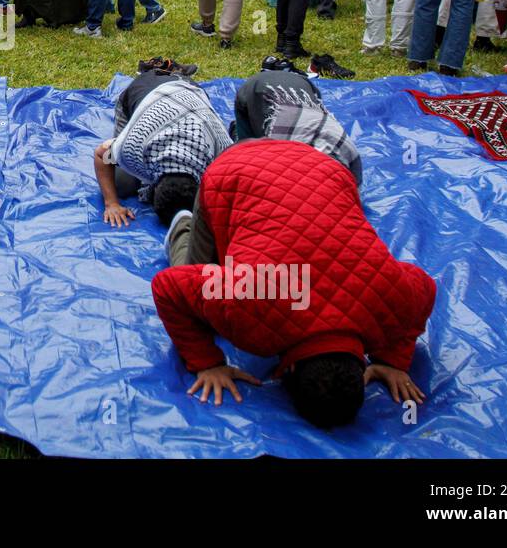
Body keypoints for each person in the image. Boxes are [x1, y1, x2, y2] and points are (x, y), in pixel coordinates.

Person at [150, 140, 436, 425]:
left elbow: (425, 287)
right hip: (232, 171)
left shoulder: (395, 303)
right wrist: (208, 363)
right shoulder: (246, 307)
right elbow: (168, 286)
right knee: (192, 275)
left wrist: (392, 359)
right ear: (291, 367)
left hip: (324, 167)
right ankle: (181, 223)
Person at [91, 65, 232, 249]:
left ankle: (174, 73)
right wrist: (111, 203)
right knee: (122, 184)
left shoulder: (222, 150)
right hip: (144, 90)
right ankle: (158, 70)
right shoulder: (133, 145)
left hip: (188, 90)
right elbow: (101, 156)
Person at [230, 69, 362, 183]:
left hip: (300, 88)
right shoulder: (286, 157)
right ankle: (238, 130)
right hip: (257, 90)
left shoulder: (350, 158)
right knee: (246, 154)